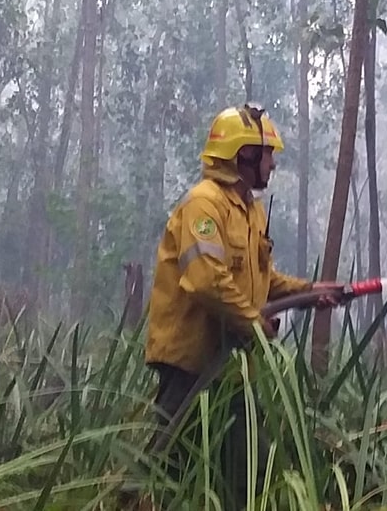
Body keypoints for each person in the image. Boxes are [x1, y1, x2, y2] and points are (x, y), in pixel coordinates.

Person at [140, 103, 342, 509]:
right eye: (267, 155)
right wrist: (253, 323)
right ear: (244, 154)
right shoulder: (204, 206)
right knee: (168, 463)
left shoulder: (250, 211)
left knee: (236, 464)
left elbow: (262, 279)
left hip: (230, 365)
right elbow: (206, 279)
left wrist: (310, 290)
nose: (273, 164)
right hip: (190, 364)